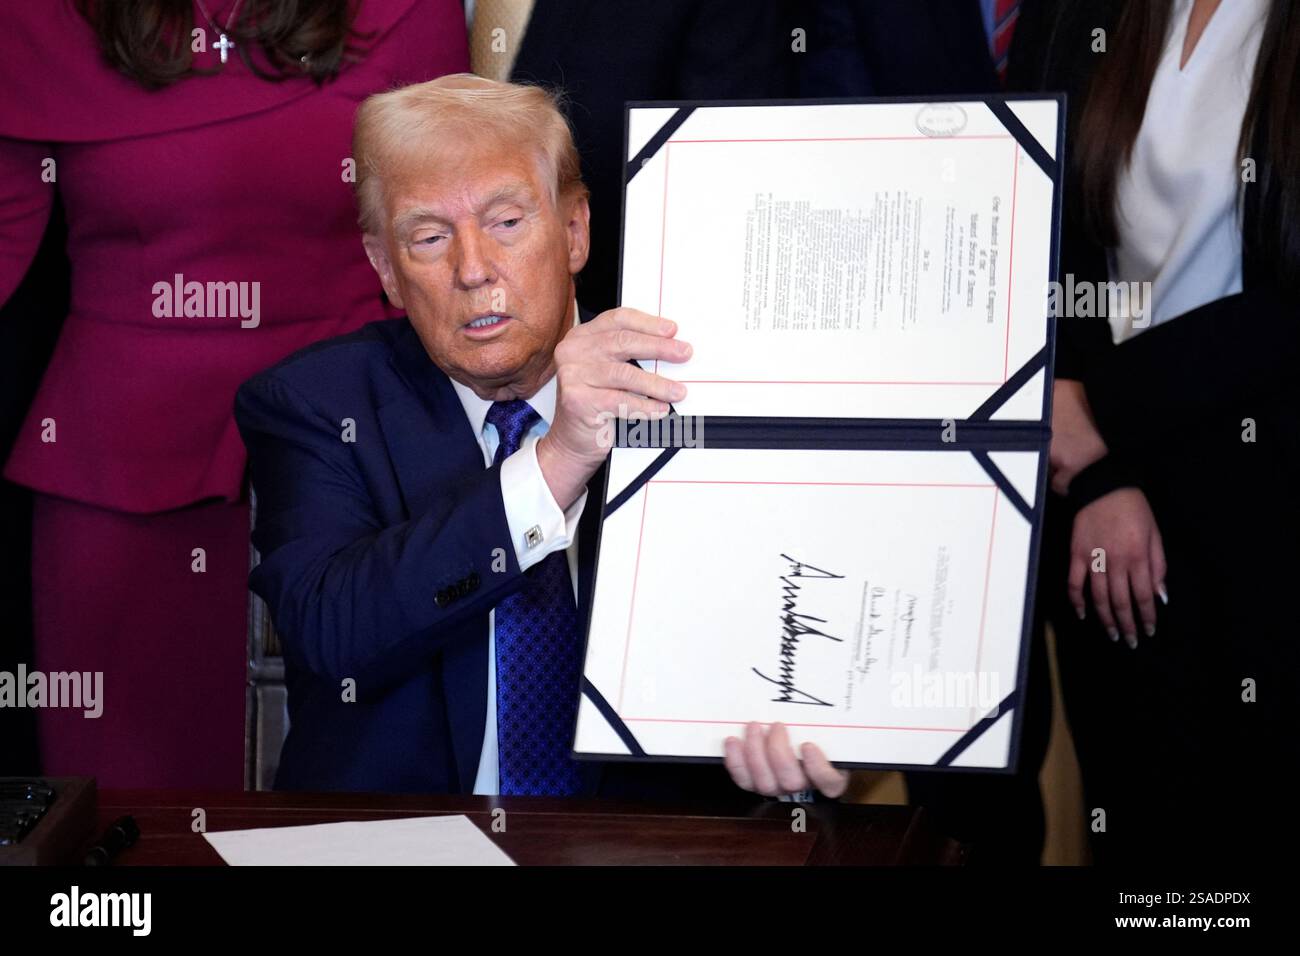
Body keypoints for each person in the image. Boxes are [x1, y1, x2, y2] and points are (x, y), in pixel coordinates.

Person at [236, 73, 849, 800]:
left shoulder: (698, 383)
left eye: (506, 222)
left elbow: (794, 648)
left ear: (574, 230)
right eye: (429, 237)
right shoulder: (314, 405)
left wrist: (797, 766)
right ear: (386, 270)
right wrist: (555, 462)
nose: (473, 271)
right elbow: (331, 633)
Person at [0, 0, 468, 788]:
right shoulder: (37, 15)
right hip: (119, 477)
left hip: (368, 463)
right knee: (124, 830)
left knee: (370, 817)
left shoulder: (406, 9)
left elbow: (449, 231)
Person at [1025, 0, 1299, 864]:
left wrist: (1085, 407)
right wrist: (1095, 474)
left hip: (1269, 501)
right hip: (1111, 500)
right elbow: (1038, 220)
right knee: (1147, 847)